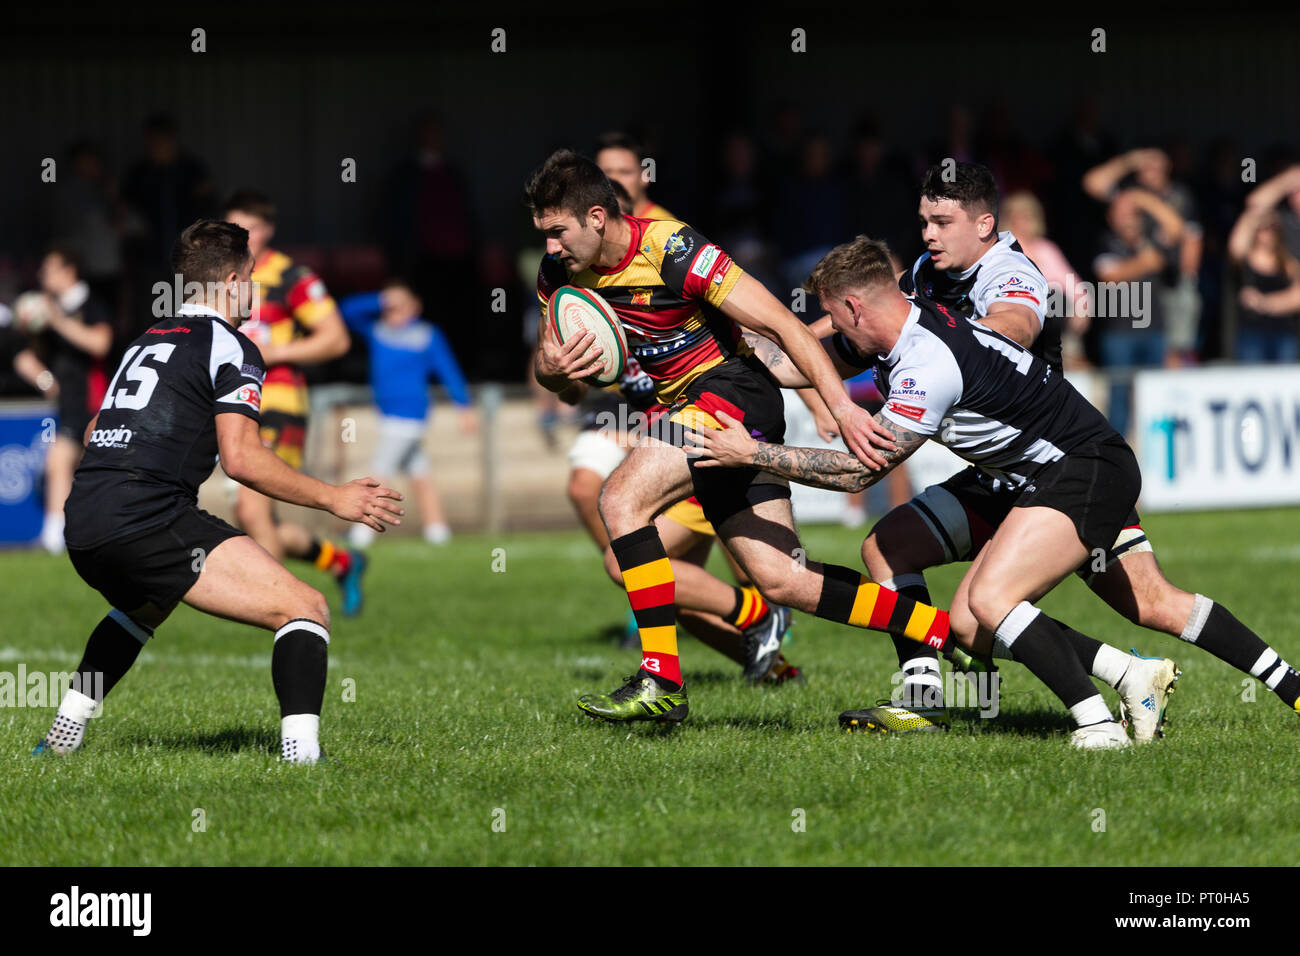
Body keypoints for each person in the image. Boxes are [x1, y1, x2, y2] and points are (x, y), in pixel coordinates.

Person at [700, 235, 1300, 746]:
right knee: (899, 554)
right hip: (1017, 480)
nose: (929, 231)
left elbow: (859, 472)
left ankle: (1099, 727)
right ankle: (928, 699)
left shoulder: (926, 364)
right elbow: (790, 359)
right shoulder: (901, 318)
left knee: (1076, 603)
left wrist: (749, 453)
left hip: (1082, 471)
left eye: (831, 315)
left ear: (854, 308)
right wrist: (705, 344)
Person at [527, 149, 955, 723]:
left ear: (597, 218)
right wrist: (553, 370)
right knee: (784, 580)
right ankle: (939, 628)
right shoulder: (558, 275)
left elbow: (780, 322)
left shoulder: (673, 249)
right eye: (543, 233)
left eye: (557, 231)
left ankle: (662, 680)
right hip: (687, 410)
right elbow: (566, 386)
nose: (550, 246)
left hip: (732, 390)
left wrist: (842, 408)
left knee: (620, 498)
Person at [37, 220, 403, 763]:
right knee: (306, 607)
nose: (253, 289)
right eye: (252, 277)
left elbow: (95, 432)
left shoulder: (149, 337)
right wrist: (333, 497)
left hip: (85, 520)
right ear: (232, 282)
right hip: (145, 516)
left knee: (144, 605)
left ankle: (62, 737)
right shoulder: (233, 346)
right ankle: (303, 760)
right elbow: (242, 460)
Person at [222, 191, 367, 615]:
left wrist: (272, 353)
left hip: (278, 402)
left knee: (251, 509)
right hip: (234, 404)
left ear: (266, 230)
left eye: (244, 228)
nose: (237, 236)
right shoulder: (225, 278)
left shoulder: (290, 275)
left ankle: (286, 611)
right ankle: (342, 561)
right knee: (258, 521)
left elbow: (336, 338)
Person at [337, 279, 476, 546]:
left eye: (401, 306)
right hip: (388, 414)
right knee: (419, 473)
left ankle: (363, 531)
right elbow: (345, 311)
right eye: (391, 308)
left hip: (409, 416)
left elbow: (448, 371)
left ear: (415, 307)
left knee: (379, 472)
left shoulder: (426, 334)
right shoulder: (378, 330)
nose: (394, 312)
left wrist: (464, 405)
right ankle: (437, 529)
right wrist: (381, 299)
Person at [12, 246, 114, 553]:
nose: (44, 277)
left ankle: (58, 536)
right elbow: (27, 357)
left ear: (69, 270)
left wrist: (57, 321)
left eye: (49, 270)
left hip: (95, 403)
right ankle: (62, 536)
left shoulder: (90, 304)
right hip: (68, 404)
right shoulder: (50, 309)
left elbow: (101, 343)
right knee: (66, 464)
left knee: (66, 462)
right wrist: (44, 378)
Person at [1226, 205, 1300, 362]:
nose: (1267, 233)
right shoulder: (1244, 260)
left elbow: (1296, 298)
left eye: (1272, 227)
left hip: (1283, 333)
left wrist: (1263, 303)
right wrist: (1253, 215)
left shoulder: (1288, 263)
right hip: (1251, 333)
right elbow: (1236, 242)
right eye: (1263, 227)